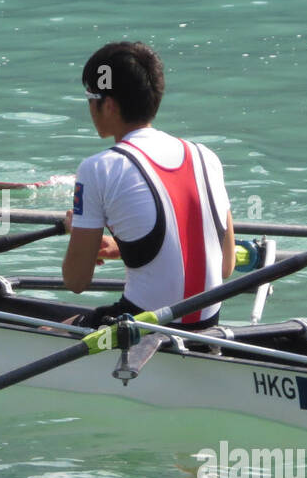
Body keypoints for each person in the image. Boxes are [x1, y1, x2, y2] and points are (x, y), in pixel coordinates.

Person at [62, 41, 235, 327]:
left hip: (143, 327)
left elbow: (76, 280)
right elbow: (226, 266)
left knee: (48, 330)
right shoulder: (207, 157)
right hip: (207, 326)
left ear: (110, 105)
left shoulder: (98, 168)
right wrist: (124, 247)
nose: (89, 106)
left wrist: (80, 237)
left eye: (90, 96)